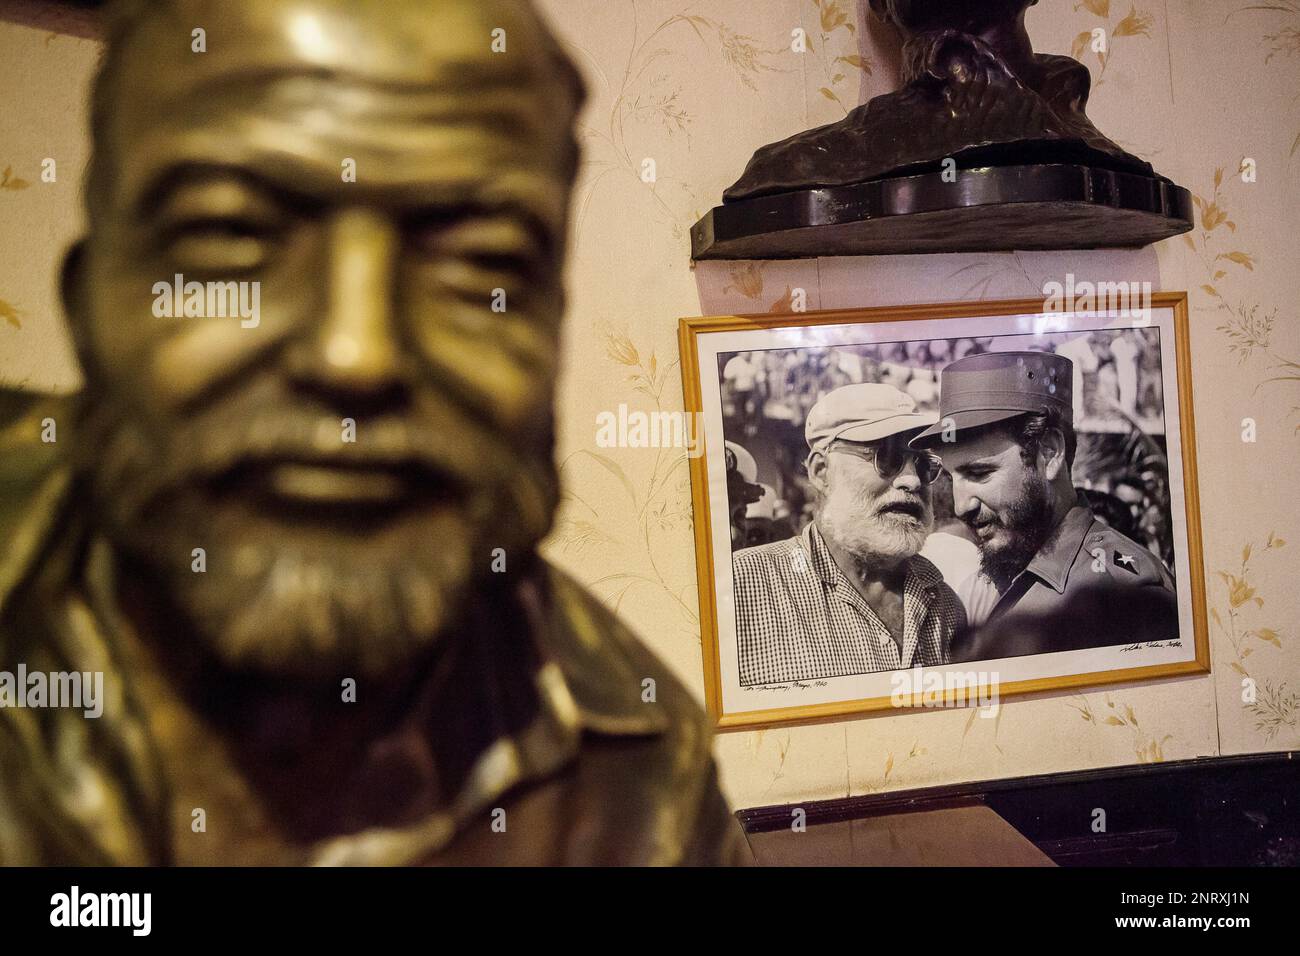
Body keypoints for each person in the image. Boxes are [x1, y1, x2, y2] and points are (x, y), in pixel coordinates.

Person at [0, 0, 745, 866]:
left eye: (482, 264)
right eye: (229, 231)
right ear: (87, 309)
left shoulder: (641, 781)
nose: (358, 354)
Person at [910, 351, 1178, 660]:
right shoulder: (982, 585)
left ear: (1049, 453)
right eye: (951, 476)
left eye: (979, 472)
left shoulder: (1125, 598)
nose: (960, 506)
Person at [732, 384, 965, 685]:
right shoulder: (742, 589)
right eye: (888, 458)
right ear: (821, 471)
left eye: (922, 465)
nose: (911, 481)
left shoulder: (946, 605)